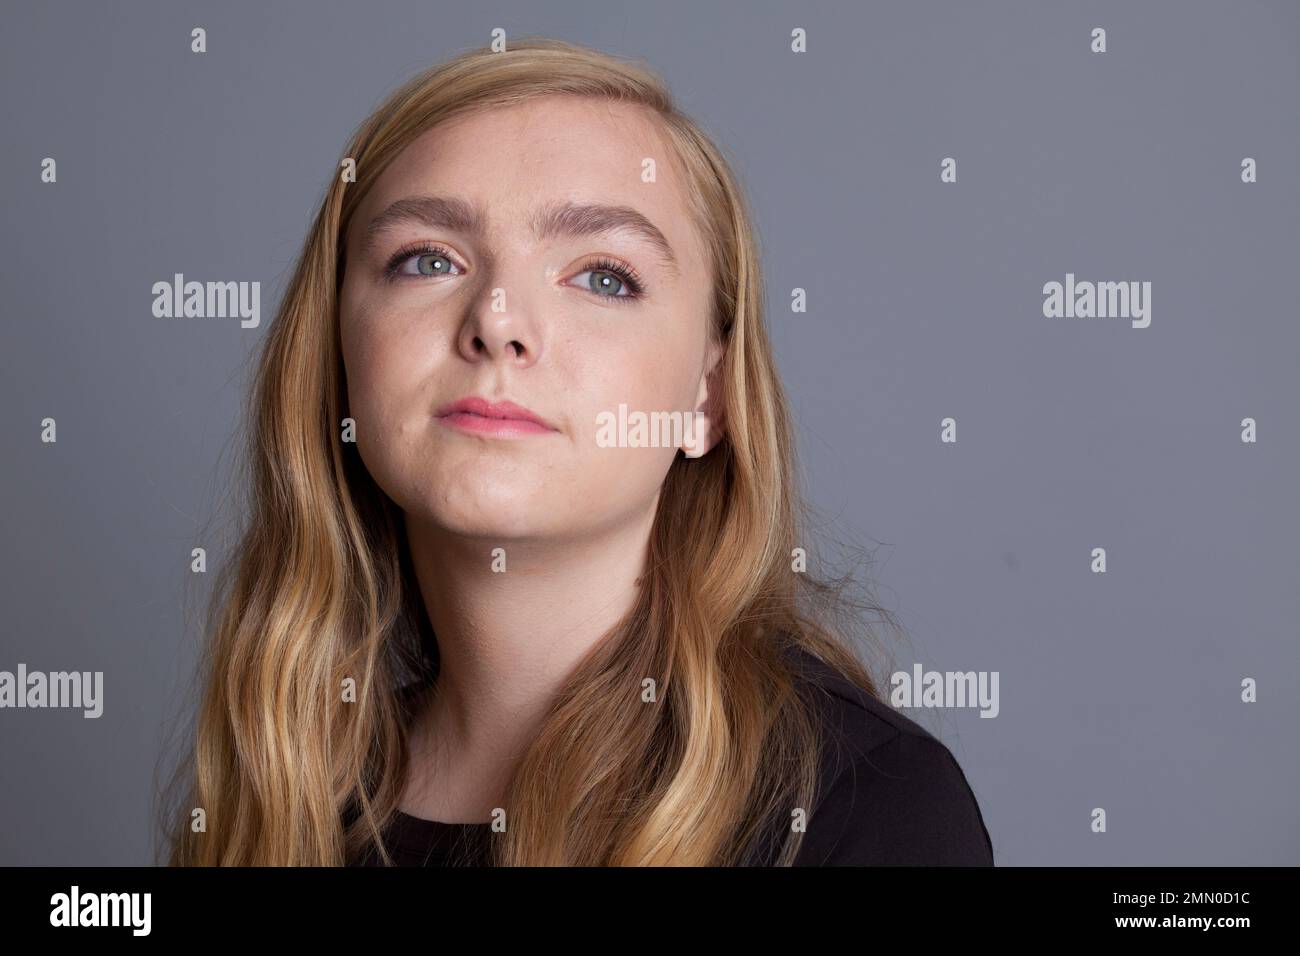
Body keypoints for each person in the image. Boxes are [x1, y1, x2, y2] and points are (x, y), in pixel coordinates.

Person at [163, 37, 993, 867]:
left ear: (708, 397)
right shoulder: (284, 787)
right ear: (339, 353)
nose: (496, 319)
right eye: (427, 259)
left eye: (603, 276)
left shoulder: (867, 811)